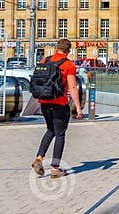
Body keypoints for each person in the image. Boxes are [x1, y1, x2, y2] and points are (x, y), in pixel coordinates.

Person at [31, 38, 82, 179]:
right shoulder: (68, 64)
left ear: (56, 48)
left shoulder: (44, 61)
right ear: (69, 50)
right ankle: (55, 168)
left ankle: (39, 158)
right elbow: (72, 87)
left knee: (50, 130)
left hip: (44, 101)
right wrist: (78, 107)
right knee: (60, 134)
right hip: (59, 103)